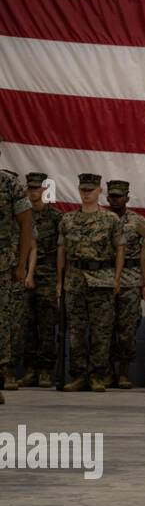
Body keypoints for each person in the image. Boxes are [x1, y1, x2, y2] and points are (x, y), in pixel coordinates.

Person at [57, 174, 125, 392]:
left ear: (99, 191)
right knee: (76, 332)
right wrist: (59, 280)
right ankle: (79, 376)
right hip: (75, 280)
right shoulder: (67, 220)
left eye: (91, 189)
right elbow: (62, 251)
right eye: (83, 189)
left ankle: (98, 376)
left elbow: (120, 250)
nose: (86, 193)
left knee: (101, 332)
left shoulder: (111, 220)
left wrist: (116, 278)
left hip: (102, 280)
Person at [106, 180, 145, 389]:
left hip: (131, 278)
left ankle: (124, 372)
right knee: (104, 327)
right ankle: (106, 372)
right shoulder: (101, 219)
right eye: (112, 196)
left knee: (128, 327)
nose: (115, 200)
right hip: (105, 277)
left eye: (119, 196)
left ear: (127, 198)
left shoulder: (138, 222)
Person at [0, 156, 34, 404]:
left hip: (2, 266)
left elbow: (25, 225)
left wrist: (21, 264)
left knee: (2, 324)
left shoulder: (9, 184)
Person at [23, 172, 61, 388]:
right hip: (24, 274)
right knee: (27, 324)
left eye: (37, 188)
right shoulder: (22, 215)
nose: (34, 192)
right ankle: (29, 369)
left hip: (47, 276)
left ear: (44, 190)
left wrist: (58, 281)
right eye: (30, 188)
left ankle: (45, 370)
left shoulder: (56, 218)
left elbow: (61, 251)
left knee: (47, 325)